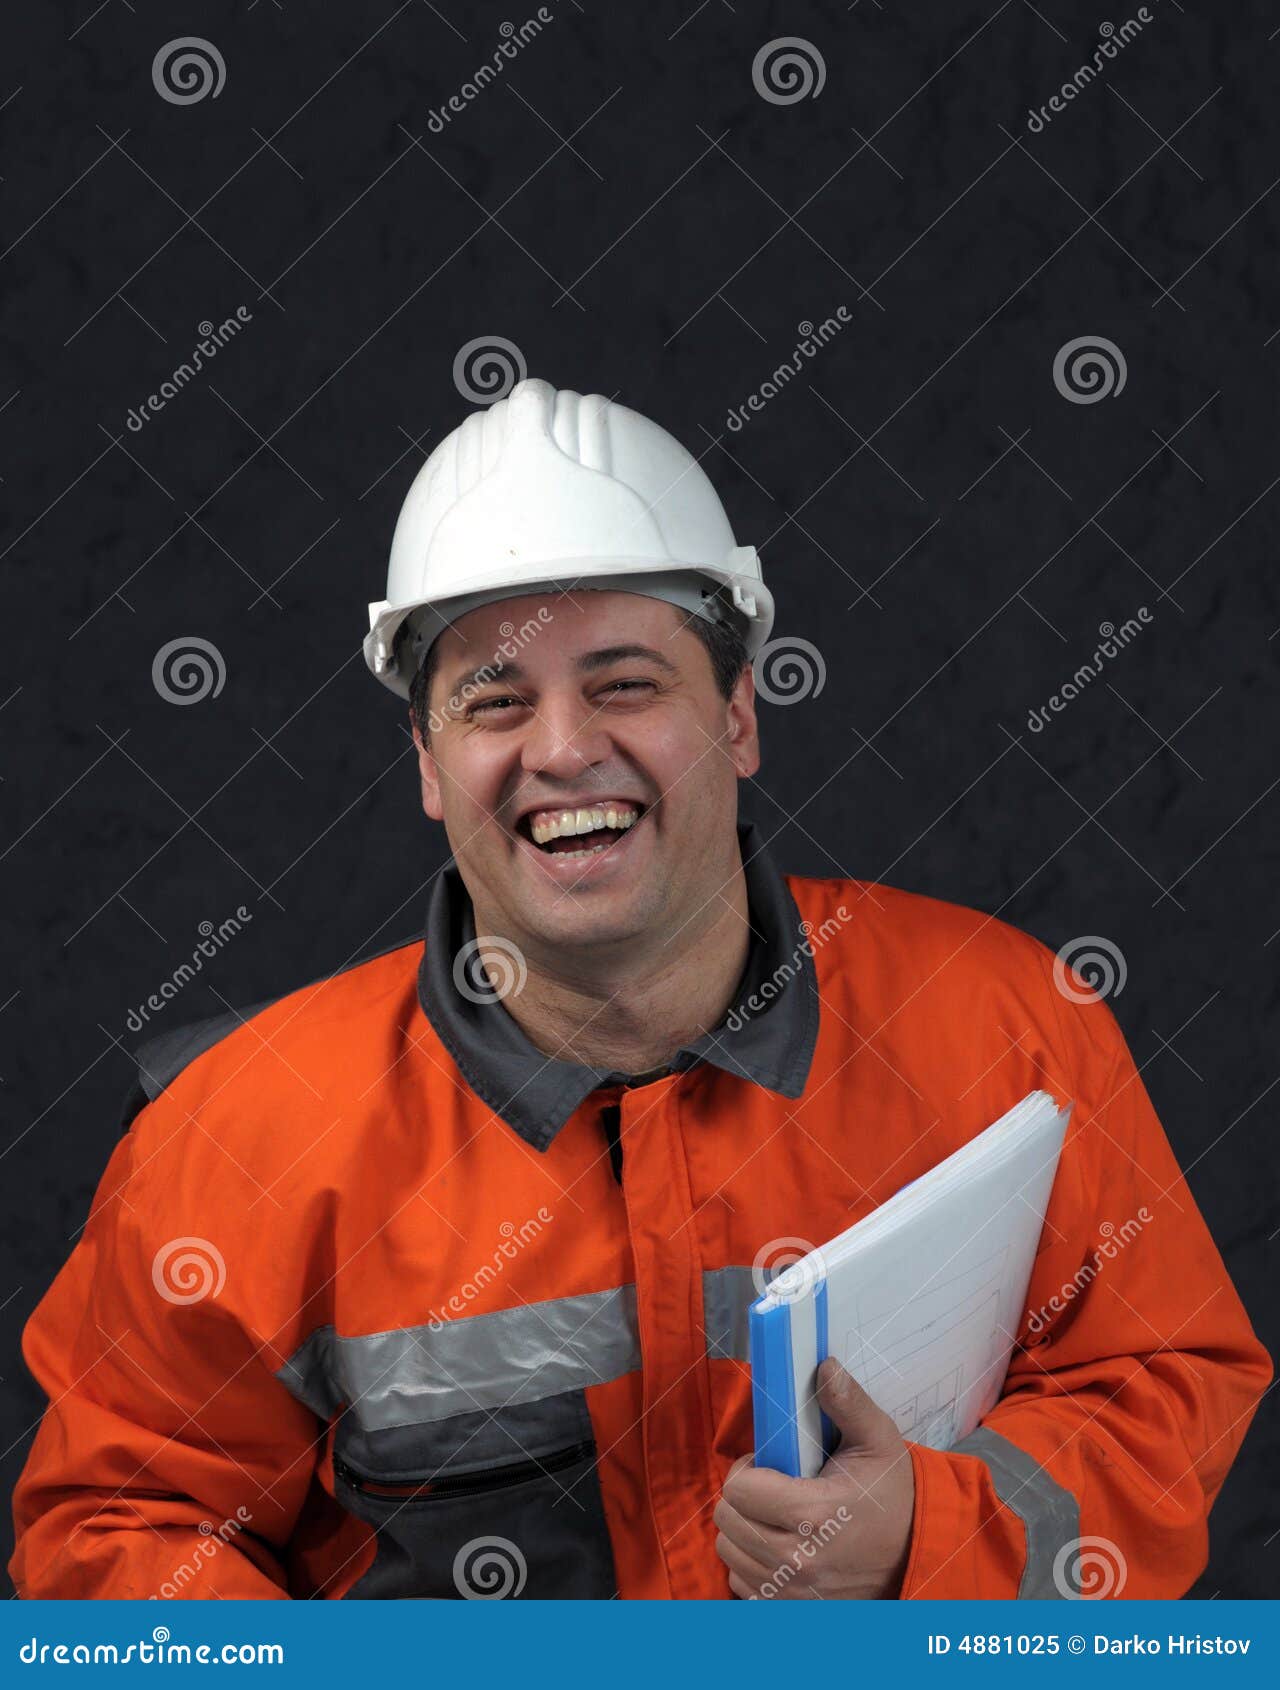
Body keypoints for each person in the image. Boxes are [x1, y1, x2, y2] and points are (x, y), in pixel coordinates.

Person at [10, 378, 1270, 1601]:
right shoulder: (236, 1138)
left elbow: (1160, 1385)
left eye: (624, 683)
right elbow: (118, 1525)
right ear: (430, 764)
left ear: (737, 715)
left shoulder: (1003, 1026)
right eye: (494, 701)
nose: (563, 749)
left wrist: (933, 1538)